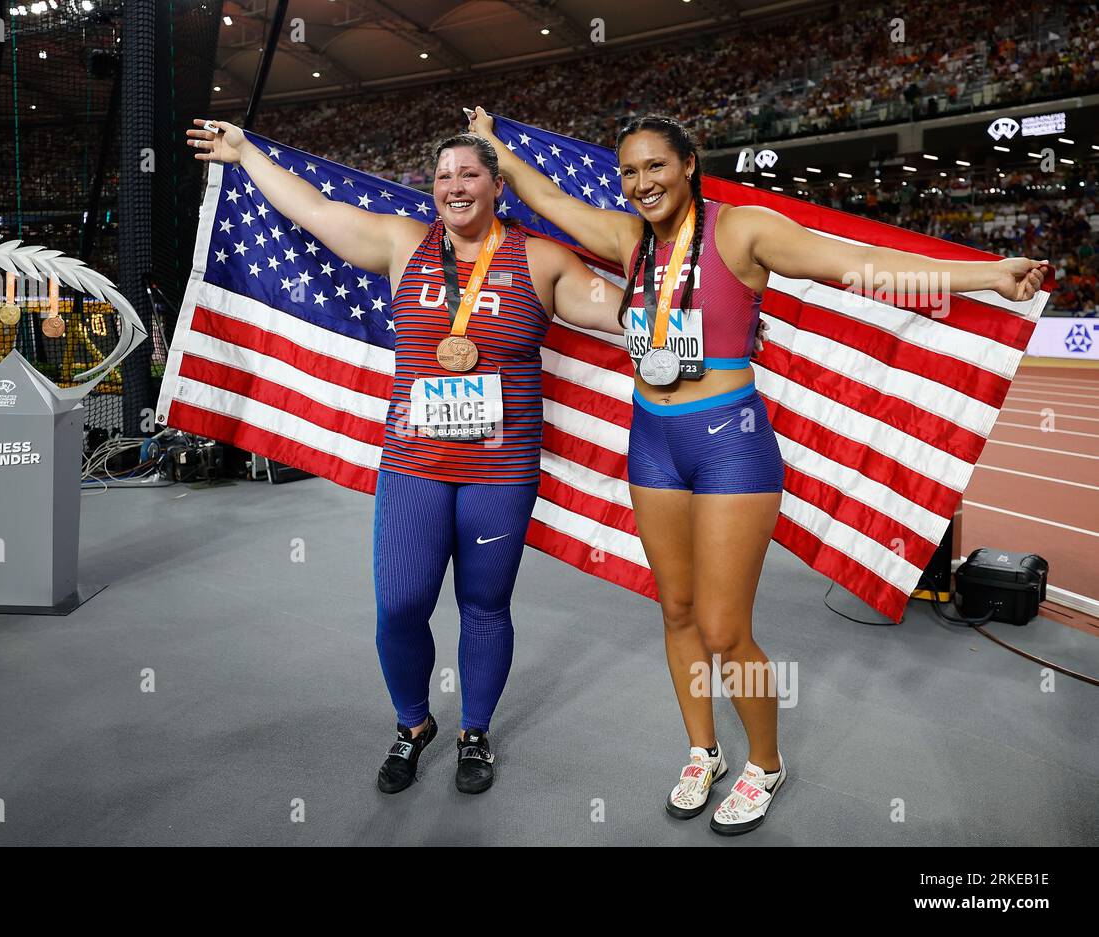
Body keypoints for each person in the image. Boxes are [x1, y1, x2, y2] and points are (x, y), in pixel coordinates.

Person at [468, 107, 1048, 834]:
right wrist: (495, 148)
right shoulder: (628, 240)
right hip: (652, 443)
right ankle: (702, 750)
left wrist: (988, 273)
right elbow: (546, 199)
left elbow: (858, 269)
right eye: (628, 171)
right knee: (675, 610)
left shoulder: (740, 231)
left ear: (688, 164)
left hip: (730, 445)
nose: (642, 182)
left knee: (722, 626)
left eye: (656, 165)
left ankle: (765, 763)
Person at [187, 119, 628, 795]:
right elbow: (313, 209)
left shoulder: (540, 260)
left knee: (484, 604)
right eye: (444, 174)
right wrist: (246, 153)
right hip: (413, 464)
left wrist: (711, 318)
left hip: (501, 469)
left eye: (469, 173)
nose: (455, 184)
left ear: (496, 186)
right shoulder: (402, 242)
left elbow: (626, 312)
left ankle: (474, 730)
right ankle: (412, 723)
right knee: (399, 604)